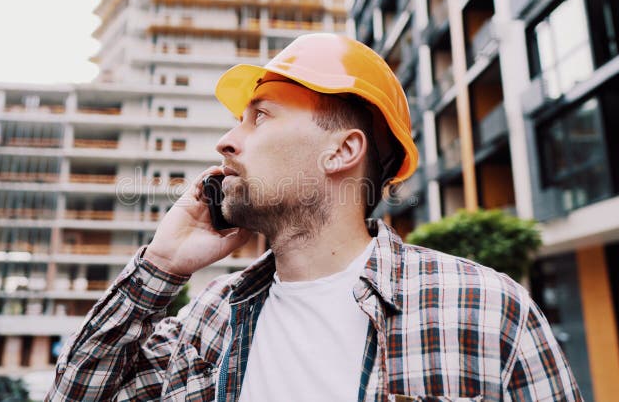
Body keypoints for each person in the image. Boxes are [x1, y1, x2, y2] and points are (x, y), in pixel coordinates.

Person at [46, 34, 581, 402]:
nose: (227, 141)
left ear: (342, 151)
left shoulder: (485, 309)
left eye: (261, 117)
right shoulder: (210, 319)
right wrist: (161, 266)